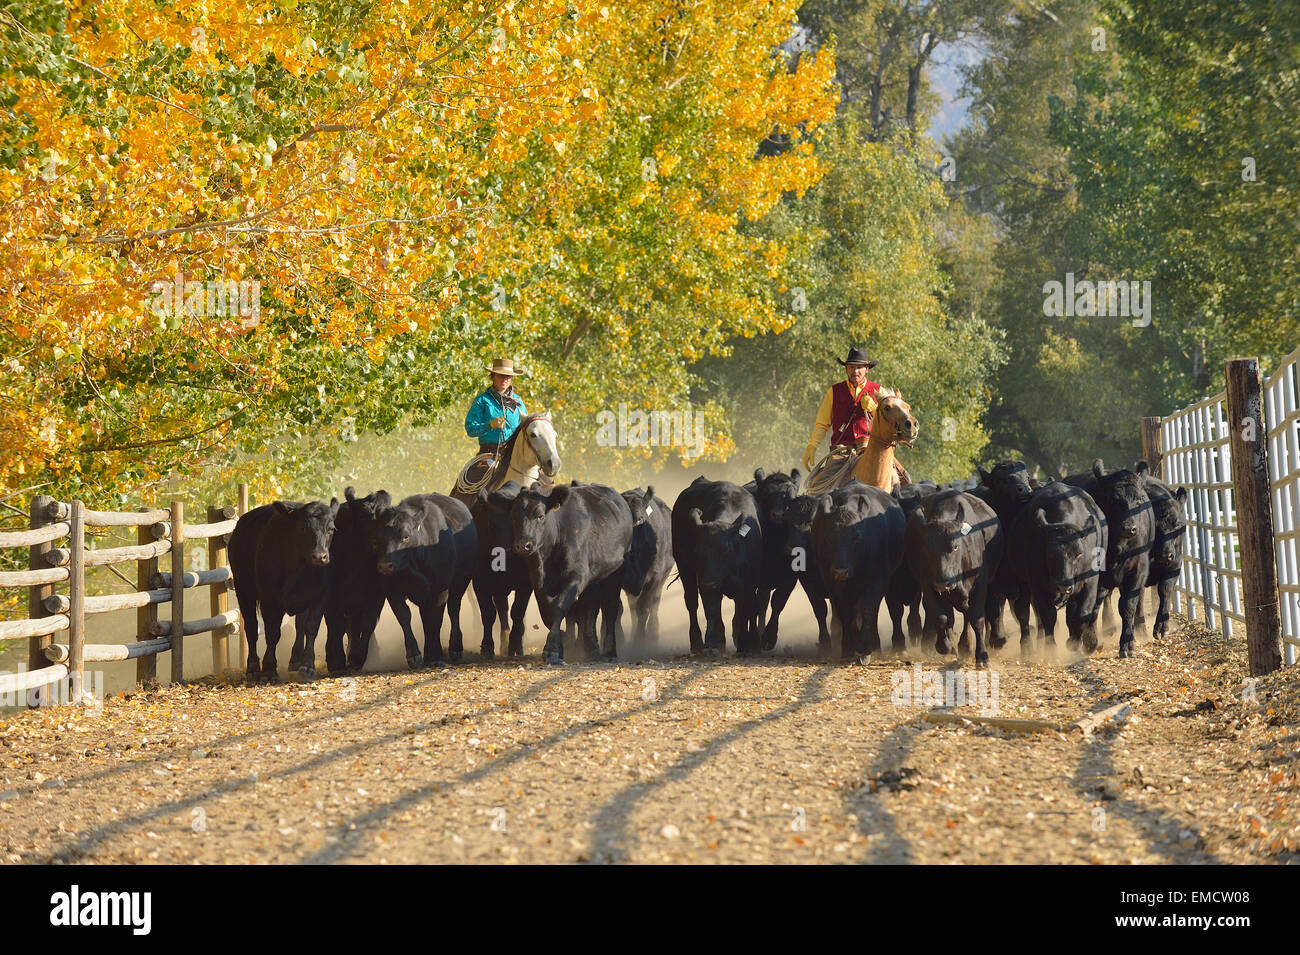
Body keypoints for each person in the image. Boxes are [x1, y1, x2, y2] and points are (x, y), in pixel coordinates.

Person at [802, 346, 886, 473]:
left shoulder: (879, 391)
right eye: (851, 367)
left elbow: (889, 421)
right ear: (846, 368)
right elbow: (822, 424)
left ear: (867, 369)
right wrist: (812, 445)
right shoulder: (833, 392)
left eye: (859, 368)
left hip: (871, 449)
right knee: (820, 485)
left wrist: (874, 409)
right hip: (840, 452)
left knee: (898, 477)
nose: (855, 371)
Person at [465, 357, 528, 453]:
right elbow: (470, 429)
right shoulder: (482, 400)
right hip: (488, 452)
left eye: (508, 376)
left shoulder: (518, 401)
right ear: (492, 376)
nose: (505, 379)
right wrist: (489, 425)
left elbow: (527, 427)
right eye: (501, 375)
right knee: (478, 469)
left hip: (514, 453)